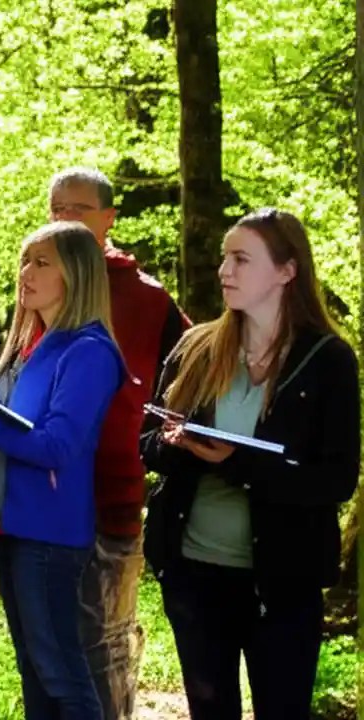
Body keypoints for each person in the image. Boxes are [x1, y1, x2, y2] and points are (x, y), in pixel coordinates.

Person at [141, 209, 359, 720]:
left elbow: (336, 478)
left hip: (283, 584)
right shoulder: (196, 347)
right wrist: (179, 448)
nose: (224, 271)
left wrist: (238, 465)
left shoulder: (327, 360)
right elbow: (147, 441)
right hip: (193, 575)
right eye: (223, 258)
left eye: (241, 259)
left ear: (287, 271)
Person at [0, 221, 123, 720]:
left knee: (60, 670)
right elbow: (1, 422)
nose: (26, 273)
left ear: (77, 273)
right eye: (24, 260)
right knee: (34, 670)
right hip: (7, 520)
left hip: (49, 529)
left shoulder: (90, 351)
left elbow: (57, 446)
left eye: (42, 262)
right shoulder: (26, 345)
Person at [47, 167, 188, 719]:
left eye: (79, 209)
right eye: (57, 208)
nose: (65, 218)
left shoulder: (145, 297)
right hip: (39, 498)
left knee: (103, 644)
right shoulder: (37, 281)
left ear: (108, 218)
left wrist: (161, 439)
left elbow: (191, 373)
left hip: (111, 496)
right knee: (45, 643)